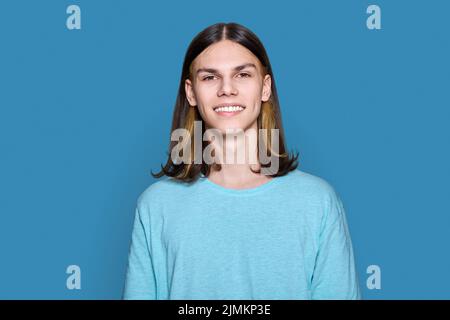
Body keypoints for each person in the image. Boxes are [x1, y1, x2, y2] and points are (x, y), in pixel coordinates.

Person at [123, 22, 361, 300]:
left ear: (265, 87)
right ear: (191, 93)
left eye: (243, 75)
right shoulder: (155, 205)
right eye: (210, 77)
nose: (227, 89)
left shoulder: (318, 202)